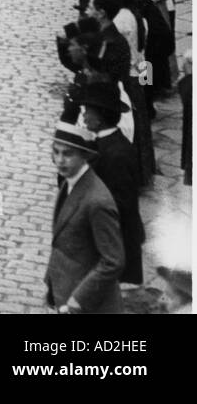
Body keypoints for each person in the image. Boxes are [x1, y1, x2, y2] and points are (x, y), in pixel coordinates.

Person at [45, 121, 124, 313]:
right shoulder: (70, 183)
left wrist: (78, 300)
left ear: (84, 156)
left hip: (91, 305)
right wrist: (52, 286)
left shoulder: (97, 201)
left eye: (68, 154)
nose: (60, 160)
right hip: (64, 292)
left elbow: (113, 261)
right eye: (56, 152)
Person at [78, 80, 144, 287]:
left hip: (114, 243)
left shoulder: (117, 154)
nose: (84, 116)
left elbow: (122, 204)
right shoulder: (102, 144)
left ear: (99, 118)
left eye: (87, 111)